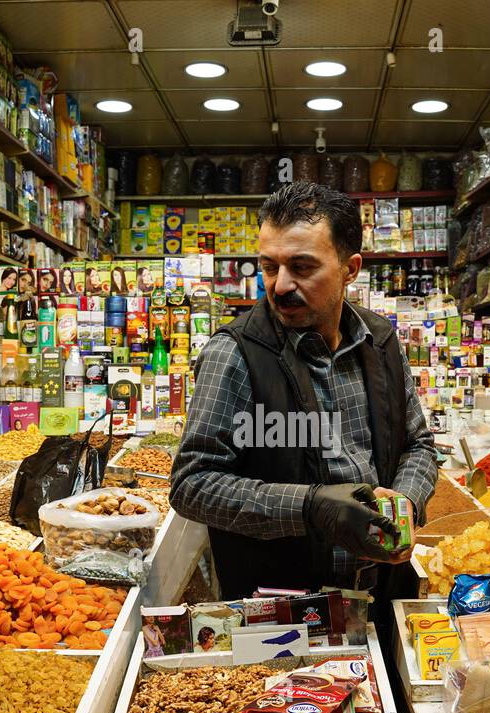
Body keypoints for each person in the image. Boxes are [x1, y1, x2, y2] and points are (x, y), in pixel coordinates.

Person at [170, 182, 437, 601]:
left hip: (381, 594)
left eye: (302, 267)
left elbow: (418, 445)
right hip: (281, 610)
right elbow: (193, 485)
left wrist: (401, 505)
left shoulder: (380, 340)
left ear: (350, 269)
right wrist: (312, 508)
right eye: (270, 266)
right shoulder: (235, 354)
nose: (279, 286)